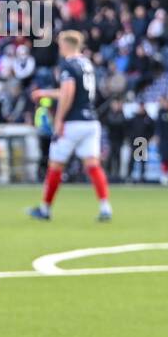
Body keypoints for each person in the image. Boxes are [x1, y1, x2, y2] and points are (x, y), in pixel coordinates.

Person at [26, 30, 112, 221]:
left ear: (66, 45)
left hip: (72, 123)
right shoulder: (86, 63)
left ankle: (45, 209)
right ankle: (105, 207)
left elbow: (68, 93)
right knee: (93, 165)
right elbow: (75, 92)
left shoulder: (67, 65)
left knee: (55, 166)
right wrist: (46, 93)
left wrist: (59, 119)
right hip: (90, 121)